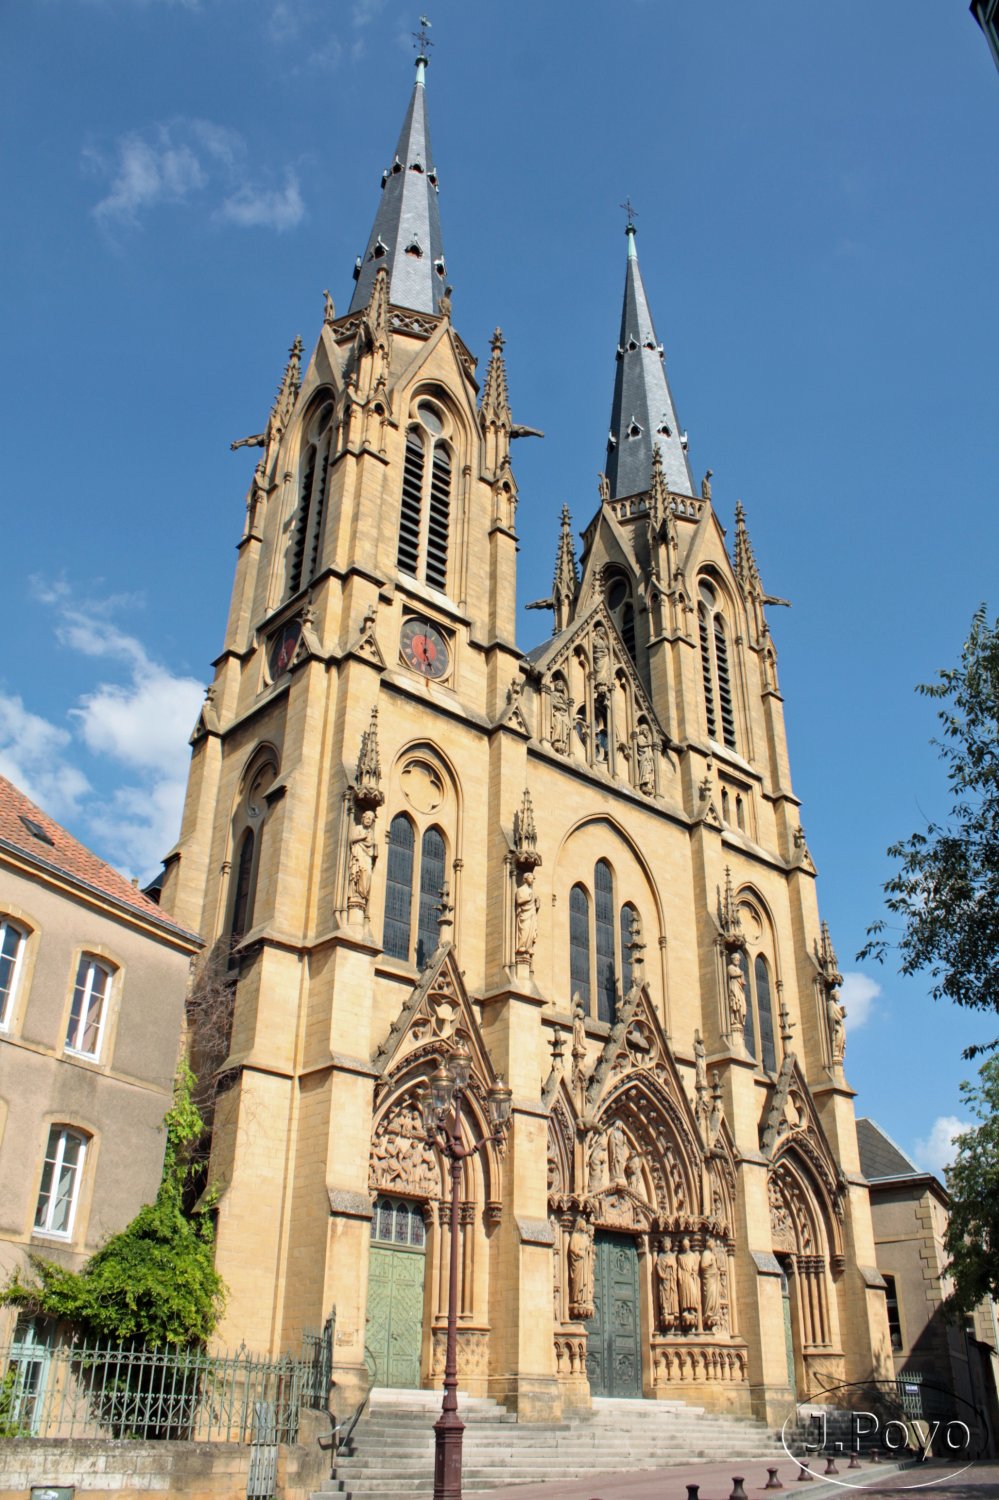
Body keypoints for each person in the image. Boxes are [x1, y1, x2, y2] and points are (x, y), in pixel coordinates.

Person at [348, 809, 377, 907]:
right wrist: (362, 838)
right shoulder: (358, 828)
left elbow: (371, 843)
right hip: (358, 852)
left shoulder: (371, 832)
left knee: (367, 873)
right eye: (367, 817)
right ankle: (356, 894)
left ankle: (362, 896)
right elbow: (351, 839)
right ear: (363, 818)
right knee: (359, 872)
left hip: (367, 856)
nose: (368, 820)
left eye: (371, 819)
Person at [515, 869, 540, 960]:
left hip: (531, 914)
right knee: (524, 930)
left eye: (533, 878)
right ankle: (521, 946)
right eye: (531, 878)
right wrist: (529, 898)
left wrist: (537, 904)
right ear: (525, 879)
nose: (532, 880)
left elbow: (534, 905)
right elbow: (519, 900)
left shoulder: (532, 892)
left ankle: (528, 947)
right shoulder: (520, 890)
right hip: (524, 915)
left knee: (531, 930)